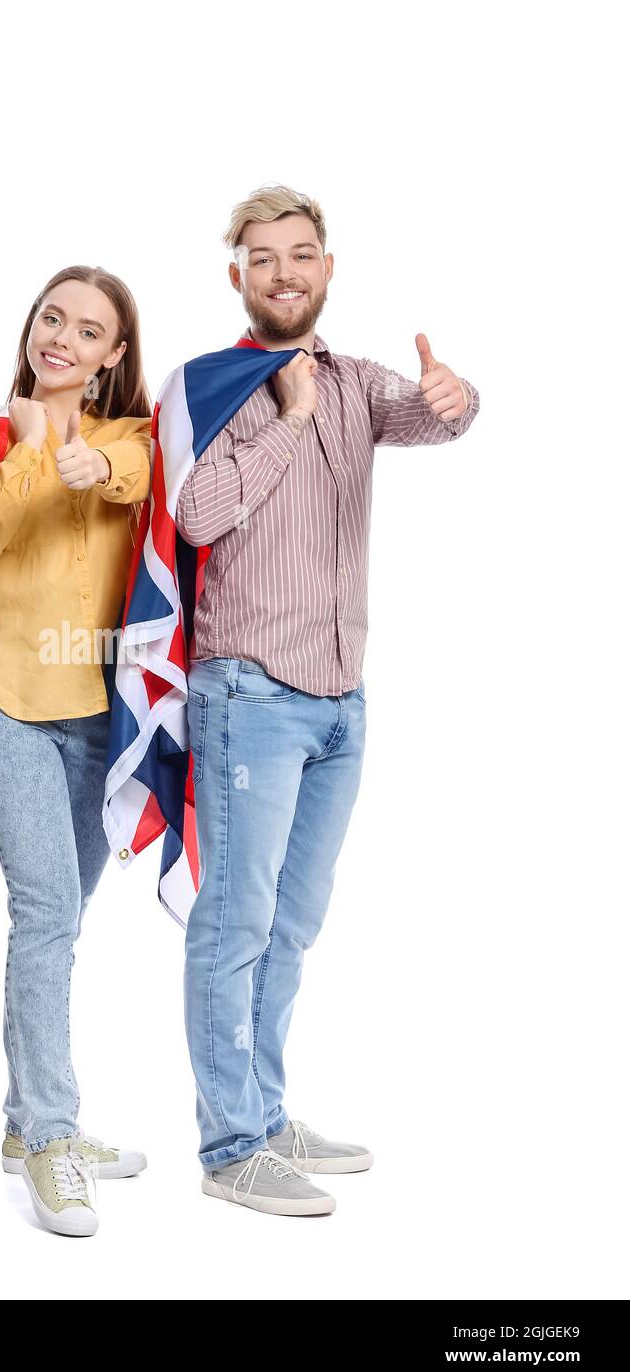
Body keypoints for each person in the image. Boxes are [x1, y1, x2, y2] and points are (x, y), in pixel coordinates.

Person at [175, 185, 480, 1216]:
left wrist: (456, 399)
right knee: (236, 921)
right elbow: (198, 513)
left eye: (300, 254)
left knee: (294, 920)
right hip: (248, 691)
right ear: (239, 278)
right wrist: (282, 423)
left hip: (341, 699)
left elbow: (433, 420)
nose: (284, 272)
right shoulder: (214, 388)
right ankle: (229, 1145)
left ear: (327, 267)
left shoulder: (359, 381)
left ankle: (264, 1112)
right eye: (262, 258)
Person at [0, 267, 153, 1236]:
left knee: (59, 919)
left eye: (87, 330)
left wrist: (89, 464)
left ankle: (24, 1119)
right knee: (43, 911)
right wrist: (34, 447)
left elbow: (142, 479)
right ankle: (54, 1135)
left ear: (116, 353)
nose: (62, 338)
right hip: (2, 706)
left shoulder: (133, 443)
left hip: (93, 722)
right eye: (50, 319)